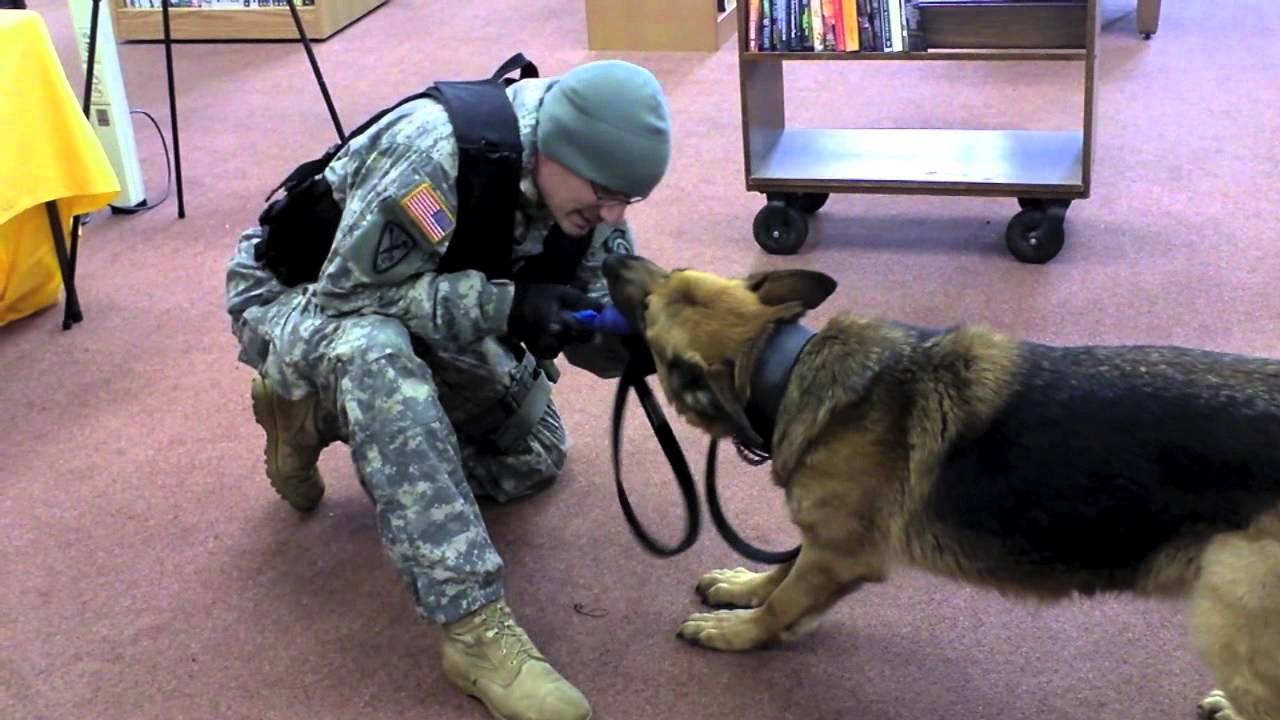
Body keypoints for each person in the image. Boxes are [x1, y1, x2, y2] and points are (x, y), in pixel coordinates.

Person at [224, 59, 672, 720]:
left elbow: (598, 301)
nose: (612, 213)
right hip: (302, 299)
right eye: (605, 194)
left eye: (628, 200)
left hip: (414, 297)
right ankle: (475, 633)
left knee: (532, 457)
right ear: (555, 150)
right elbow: (352, 298)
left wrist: (631, 339)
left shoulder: (593, 187)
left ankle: (317, 415)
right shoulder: (434, 153)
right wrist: (508, 307)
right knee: (376, 360)